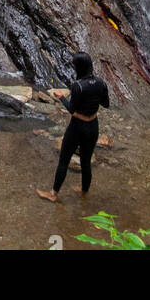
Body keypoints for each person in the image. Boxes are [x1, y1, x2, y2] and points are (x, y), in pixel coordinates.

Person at [47, 52, 110, 199]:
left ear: (79, 68)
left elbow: (71, 109)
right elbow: (106, 104)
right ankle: (84, 192)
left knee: (64, 159)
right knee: (86, 162)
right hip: (93, 126)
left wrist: (61, 97)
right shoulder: (101, 83)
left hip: (77, 126)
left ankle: (53, 194)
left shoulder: (78, 86)